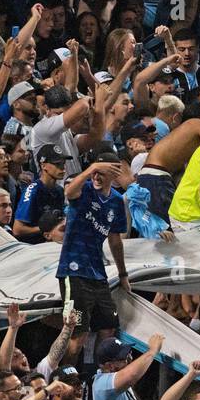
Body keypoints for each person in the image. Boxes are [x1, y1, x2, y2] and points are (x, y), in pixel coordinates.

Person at [57, 152, 131, 357]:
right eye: (94, 172)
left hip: (98, 274)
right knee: (76, 334)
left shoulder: (116, 201)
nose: (96, 177)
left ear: (114, 174)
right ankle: (64, 377)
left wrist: (123, 274)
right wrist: (91, 169)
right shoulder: (84, 189)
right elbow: (69, 192)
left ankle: (100, 374)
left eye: (102, 173)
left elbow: (115, 240)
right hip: (74, 271)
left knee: (108, 329)